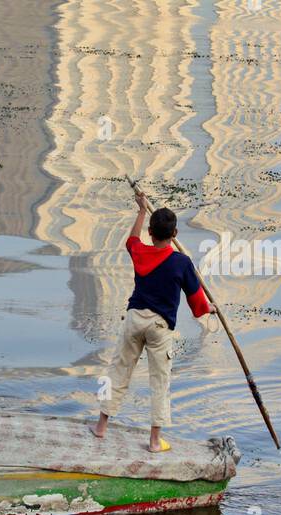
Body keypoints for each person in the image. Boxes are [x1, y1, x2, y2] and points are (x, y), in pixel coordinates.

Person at [90, 192, 215, 452]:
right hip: (160, 328)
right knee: (160, 381)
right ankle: (155, 441)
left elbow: (131, 240)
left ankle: (101, 427)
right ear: (176, 233)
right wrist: (210, 308)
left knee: (117, 371)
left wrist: (140, 210)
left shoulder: (139, 252)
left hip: (134, 319)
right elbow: (197, 304)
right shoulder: (182, 263)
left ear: (150, 232)